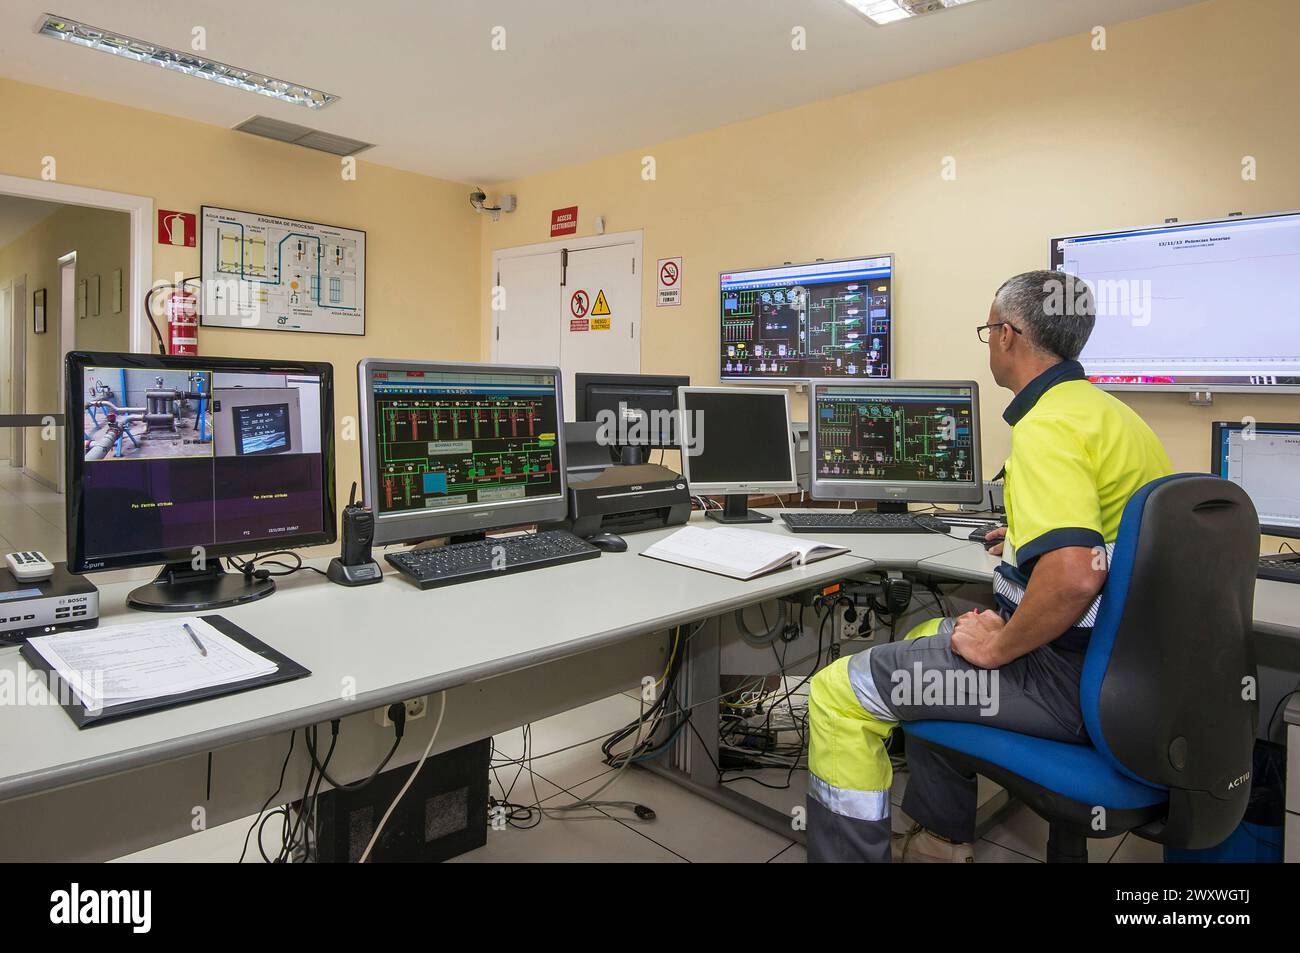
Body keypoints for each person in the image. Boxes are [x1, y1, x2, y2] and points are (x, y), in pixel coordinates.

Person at [805, 270, 1173, 863]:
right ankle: (940, 841)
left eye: (988, 330)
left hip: (1064, 680)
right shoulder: (1113, 416)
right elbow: (1111, 538)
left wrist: (1002, 648)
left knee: (833, 692)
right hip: (1130, 674)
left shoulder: (1046, 425)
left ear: (1007, 335)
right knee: (930, 633)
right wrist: (1026, 534)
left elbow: (1076, 575)